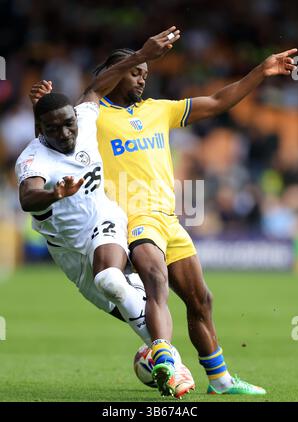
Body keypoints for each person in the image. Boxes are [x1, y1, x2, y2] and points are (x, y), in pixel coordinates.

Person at [91, 30, 297, 396]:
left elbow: (218, 102)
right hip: (135, 218)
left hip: (169, 219)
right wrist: (139, 54)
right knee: (156, 281)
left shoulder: (158, 110)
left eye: (145, 73)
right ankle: (165, 359)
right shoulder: (94, 115)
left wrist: (260, 72)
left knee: (201, 299)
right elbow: (90, 90)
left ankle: (220, 381)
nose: (142, 78)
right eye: (136, 72)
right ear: (116, 71)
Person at [17, 27, 195, 399]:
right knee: (119, 295)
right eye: (54, 128)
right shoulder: (34, 159)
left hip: (105, 219)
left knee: (111, 278)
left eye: (69, 123)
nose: (66, 132)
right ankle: (168, 361)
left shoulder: (83, 118)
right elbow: (28, 198)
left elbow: (98, 86)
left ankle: (169, 363)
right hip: (70, 254)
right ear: (40, 130)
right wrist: (54, 193)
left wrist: (141, 54)